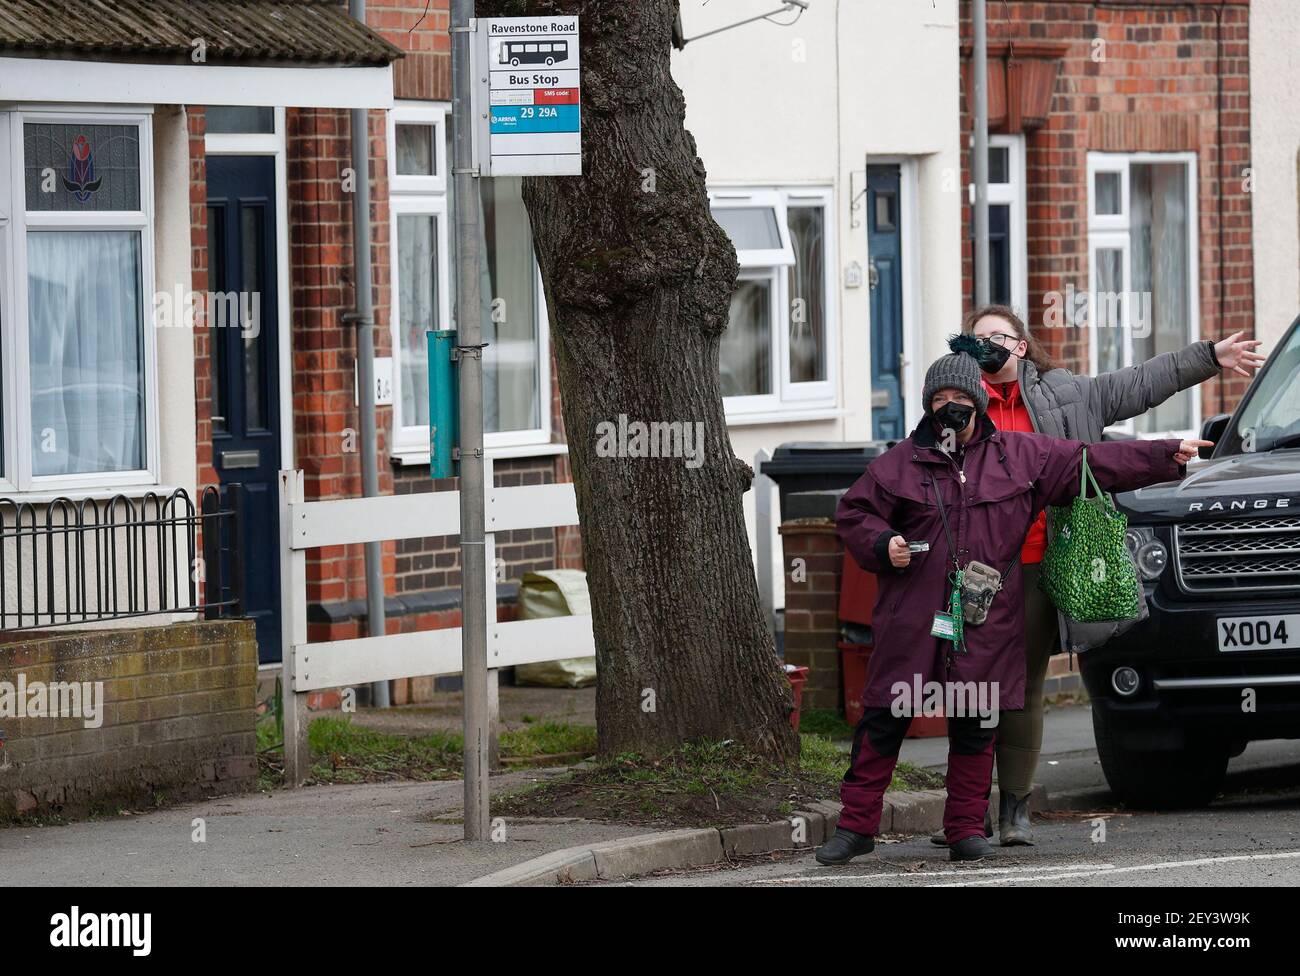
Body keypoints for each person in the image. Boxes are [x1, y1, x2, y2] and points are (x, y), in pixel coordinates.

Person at [814, 346, 1208, 864]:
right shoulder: (897, 465)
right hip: (913, 618)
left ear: (978, 402)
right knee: (888, 714)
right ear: (927, 405)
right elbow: (855, 514)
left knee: (977, 720)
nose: (949, 407)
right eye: (939, 398)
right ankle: (856, 826)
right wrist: (882, 541)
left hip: (984, 617)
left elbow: (1092, 459)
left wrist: (1165, 455)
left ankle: (964, 830)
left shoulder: (1022, 457)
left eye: (960, 397)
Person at [956, 305, 1264, 846]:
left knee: (1023, 687)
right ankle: (966, 813)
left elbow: (1141, 383)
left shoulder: (1068, 394)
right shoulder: (957, 400)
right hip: (976, 569)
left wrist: (1210, 356)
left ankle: (1015, 810)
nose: (987, 346)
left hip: (1038, 563)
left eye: (997, 337)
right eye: (976, 339)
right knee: (975, 688)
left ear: (1021, 346)